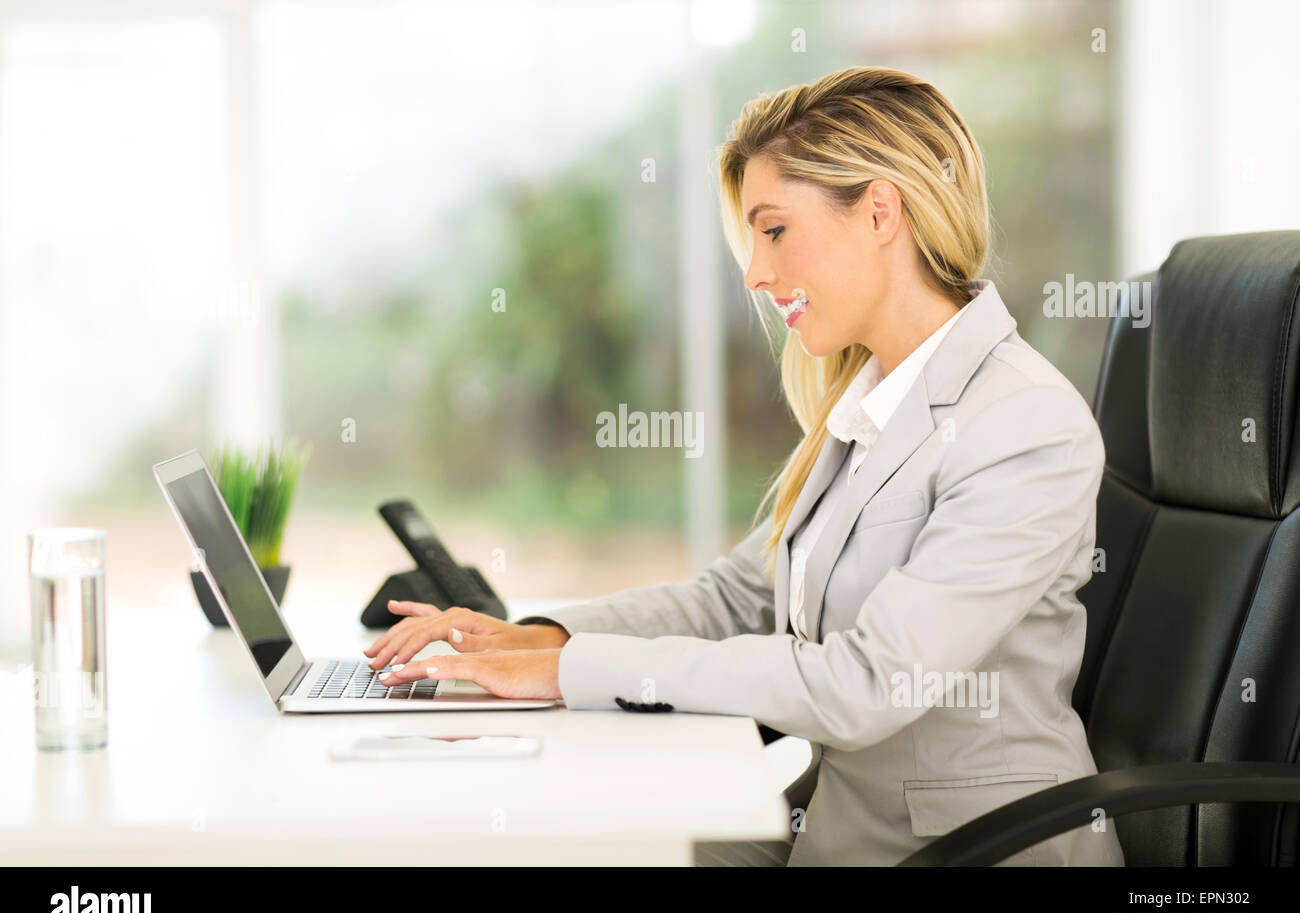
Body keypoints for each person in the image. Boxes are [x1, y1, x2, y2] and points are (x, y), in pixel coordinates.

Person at [362, 65, 1125, 868]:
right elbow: (735, 598)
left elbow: (865, 684)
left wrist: (569, 670)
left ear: (878, 211)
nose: (757, 275)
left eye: (774, 230)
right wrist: (537, 637)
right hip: (837, 825)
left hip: (967, 851)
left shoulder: (1023, 425)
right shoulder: (871, 402)